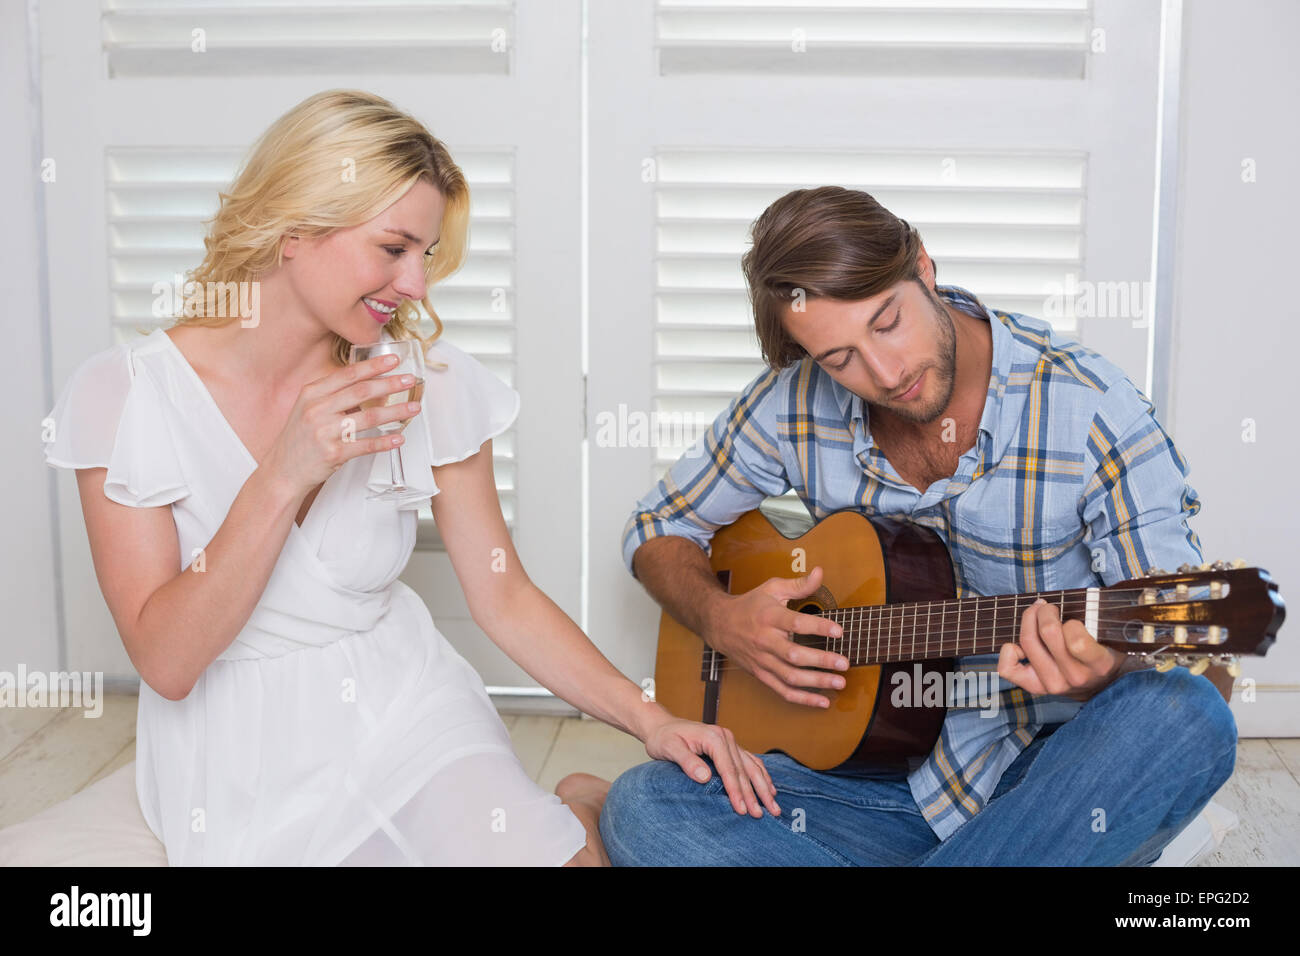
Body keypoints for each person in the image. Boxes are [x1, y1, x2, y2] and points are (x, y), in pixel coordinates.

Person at [41, 89, 777, 867]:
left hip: (407, 706)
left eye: (424, 255)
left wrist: (650, 720)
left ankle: (579, 806)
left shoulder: (430, 383)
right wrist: (284, 472)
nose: (416, 285)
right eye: (393, 248)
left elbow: (504, 596)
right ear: (295, 228)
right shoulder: (125, 396)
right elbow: (168, 662)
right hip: (238, 748)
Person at [600, 186, 1238, 866]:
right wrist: (720, 616)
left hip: (1054, 792)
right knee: (649, 803)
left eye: (886, 322)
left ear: (924, 269)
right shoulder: (791, 406)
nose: (884, 371)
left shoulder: (1092, 412)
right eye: (839, 359)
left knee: (1185, 716)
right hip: (883, 787)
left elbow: (1195, 661)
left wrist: (1105, 668)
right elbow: (657, 527)